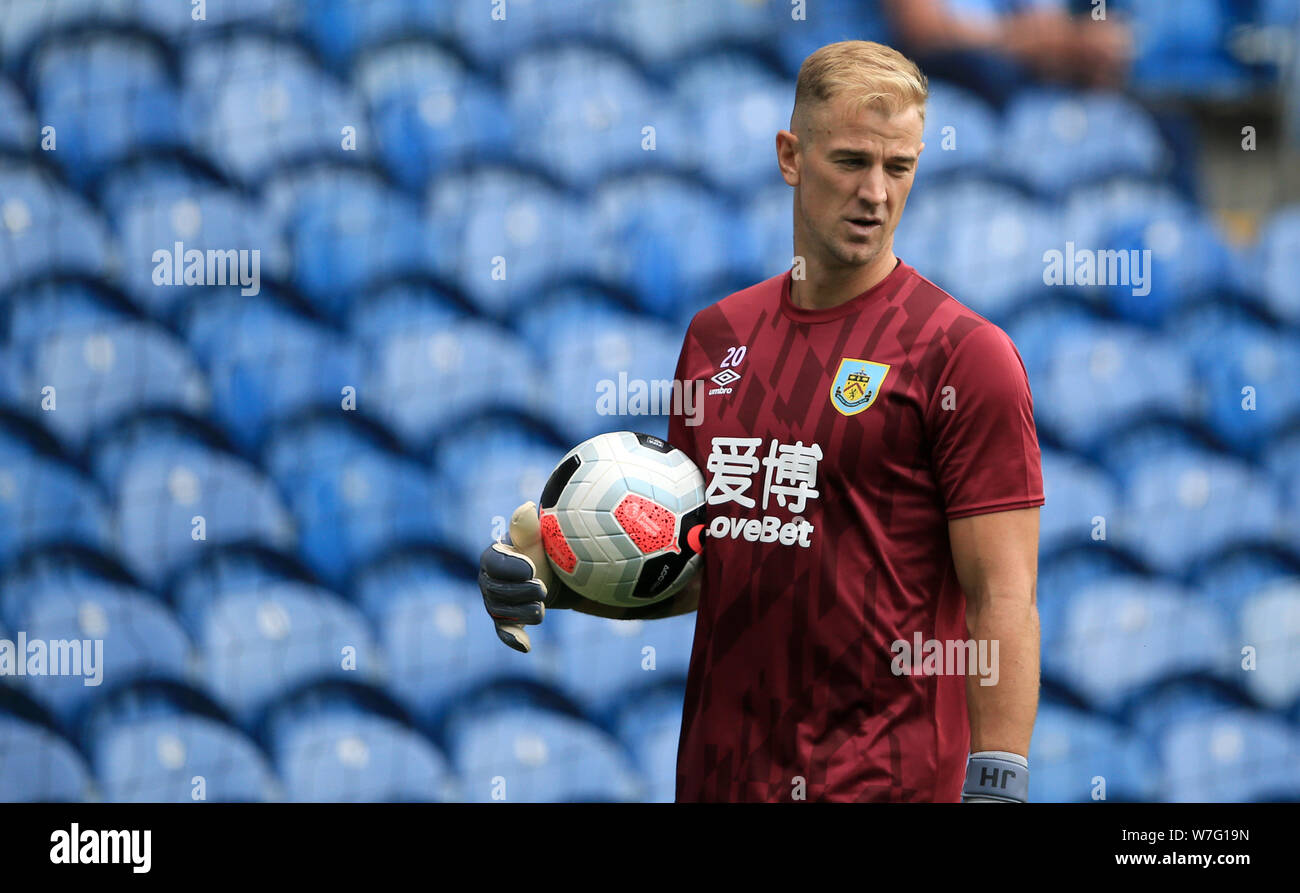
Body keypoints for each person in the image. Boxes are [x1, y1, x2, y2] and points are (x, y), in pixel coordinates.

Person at [480, 40, 1044, 803]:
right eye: (850, 161)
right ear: (790, 155)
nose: (875, 192)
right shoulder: (717, 339)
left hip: (888, 786)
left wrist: (1000, 784)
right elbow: (707, 561)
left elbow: (1002, 597)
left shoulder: (964, 356)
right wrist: (551, 579)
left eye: (899, 167)